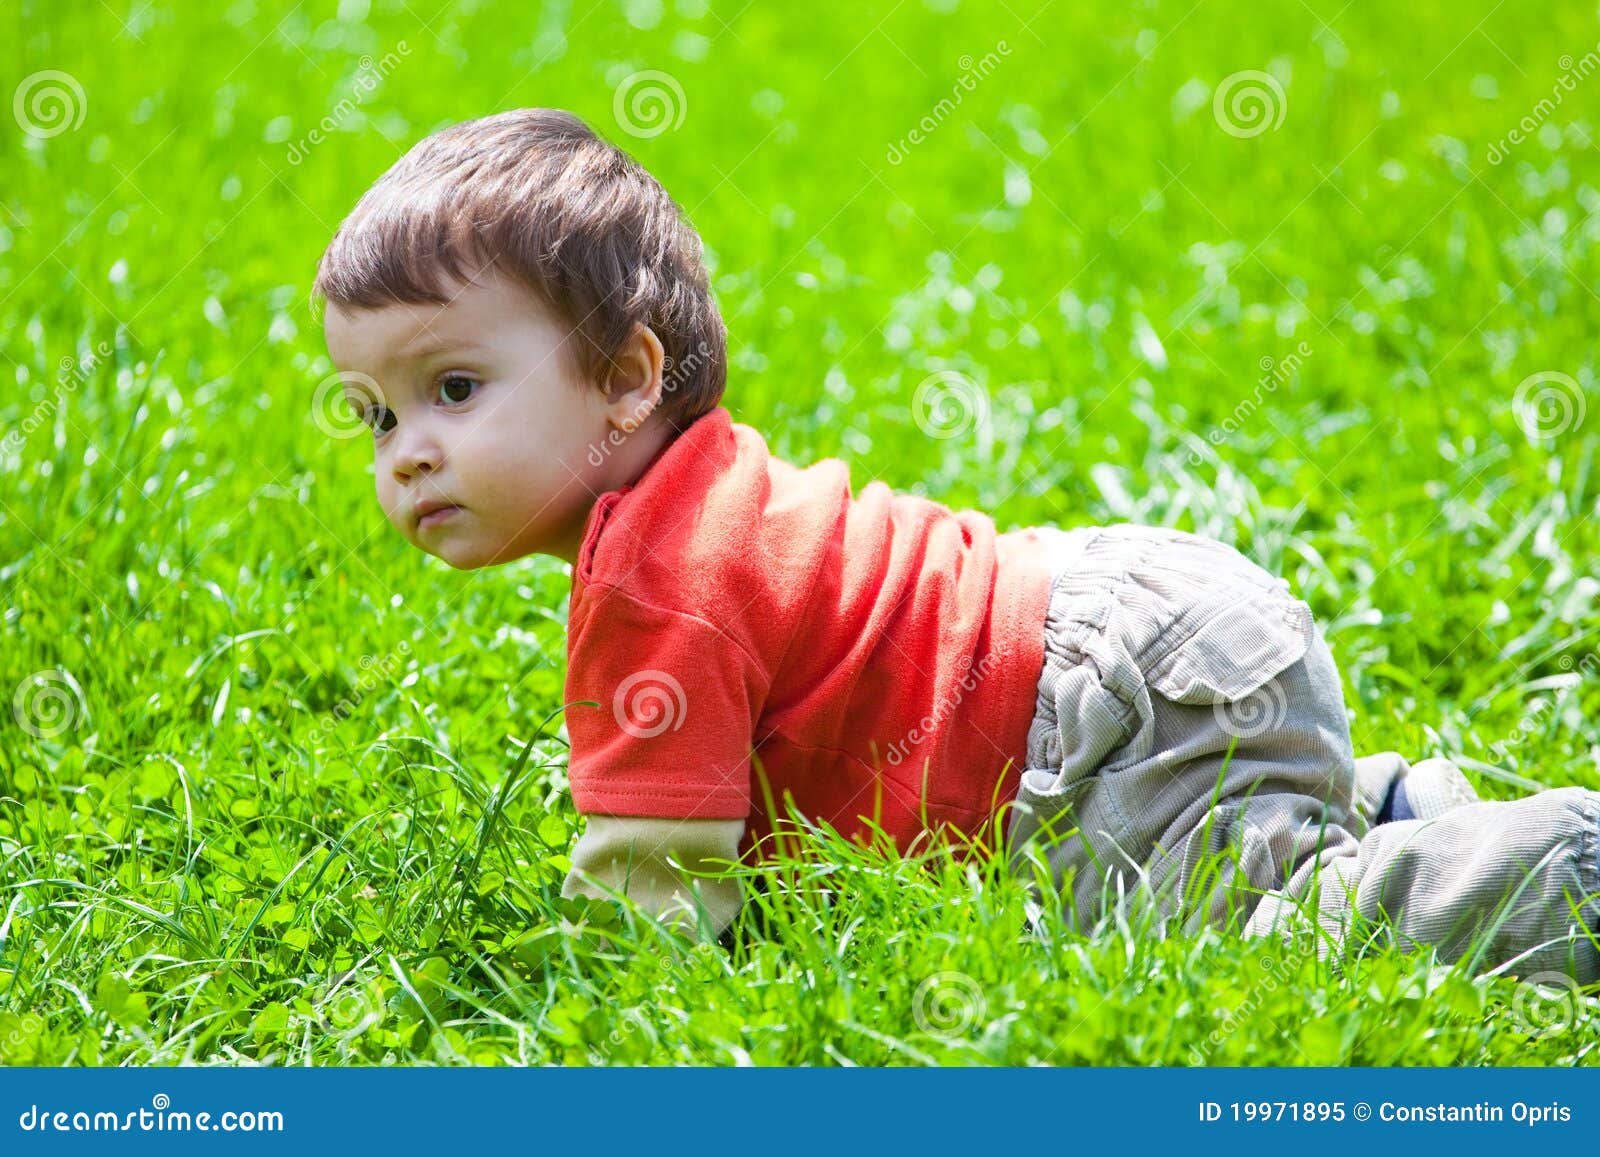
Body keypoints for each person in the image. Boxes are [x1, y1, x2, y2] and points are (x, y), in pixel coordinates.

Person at [311, 107, 1600, 982]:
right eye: (375, 415)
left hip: (1099, 717)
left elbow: (652, 905)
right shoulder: (698, 501)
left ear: (628, 377)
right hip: (1145, 636)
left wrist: (580, 1003)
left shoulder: (659, 584)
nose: (406, 449)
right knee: (1214, 850)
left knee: (1226, 940)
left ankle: (1546, 875)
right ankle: (1384, 802)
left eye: (455, 389)